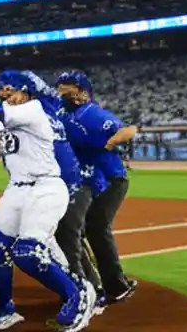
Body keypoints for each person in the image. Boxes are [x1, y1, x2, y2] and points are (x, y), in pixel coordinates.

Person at [0, 48, 95, 332]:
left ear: (26, 92)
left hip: (45, 186)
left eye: (11, 91)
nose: (6, 95)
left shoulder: (33, 109)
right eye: (3, 91)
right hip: (17, 188)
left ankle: (78, 295)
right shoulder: (13, 114)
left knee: (28, 251)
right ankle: (6, 308)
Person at [59, 71, 139, 307]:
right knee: (74, 230)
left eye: (68, 86)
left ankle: (116, 286)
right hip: (87, 181)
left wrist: (110, 142)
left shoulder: (91, 112)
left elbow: (129, 129)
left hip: (111, 178)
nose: (63, 90)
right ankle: (95, 284)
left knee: (95, 227)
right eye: (61, 86)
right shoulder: (63, 114)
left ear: (83, 91)